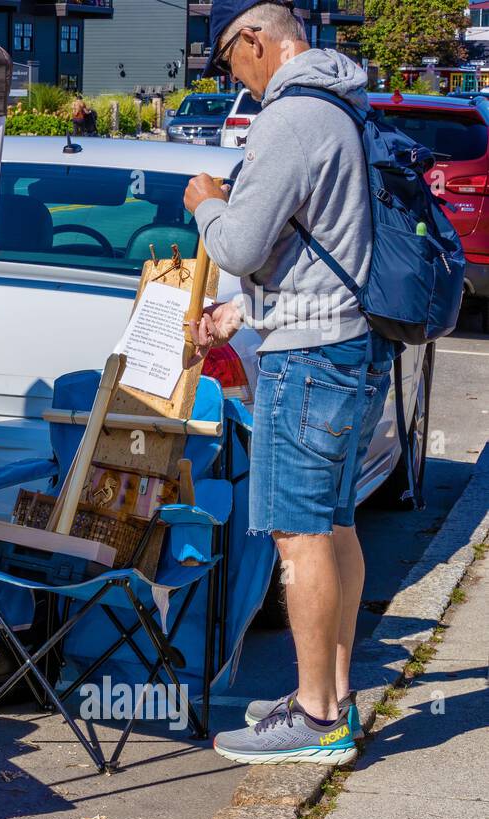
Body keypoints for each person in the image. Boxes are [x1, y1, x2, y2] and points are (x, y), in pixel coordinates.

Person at [183, 0, 397, 765]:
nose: (234, 78)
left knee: (298, 536)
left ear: (256, 41)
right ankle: (334, 697)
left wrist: (207, 204)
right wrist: (244, 314)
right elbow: (323, 249)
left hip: (307, 362)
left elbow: (240, 242)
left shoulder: (288, 117)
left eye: (230, 60)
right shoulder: (346, 102)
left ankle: (314, 718)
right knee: (336, 525)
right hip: (353, 342)